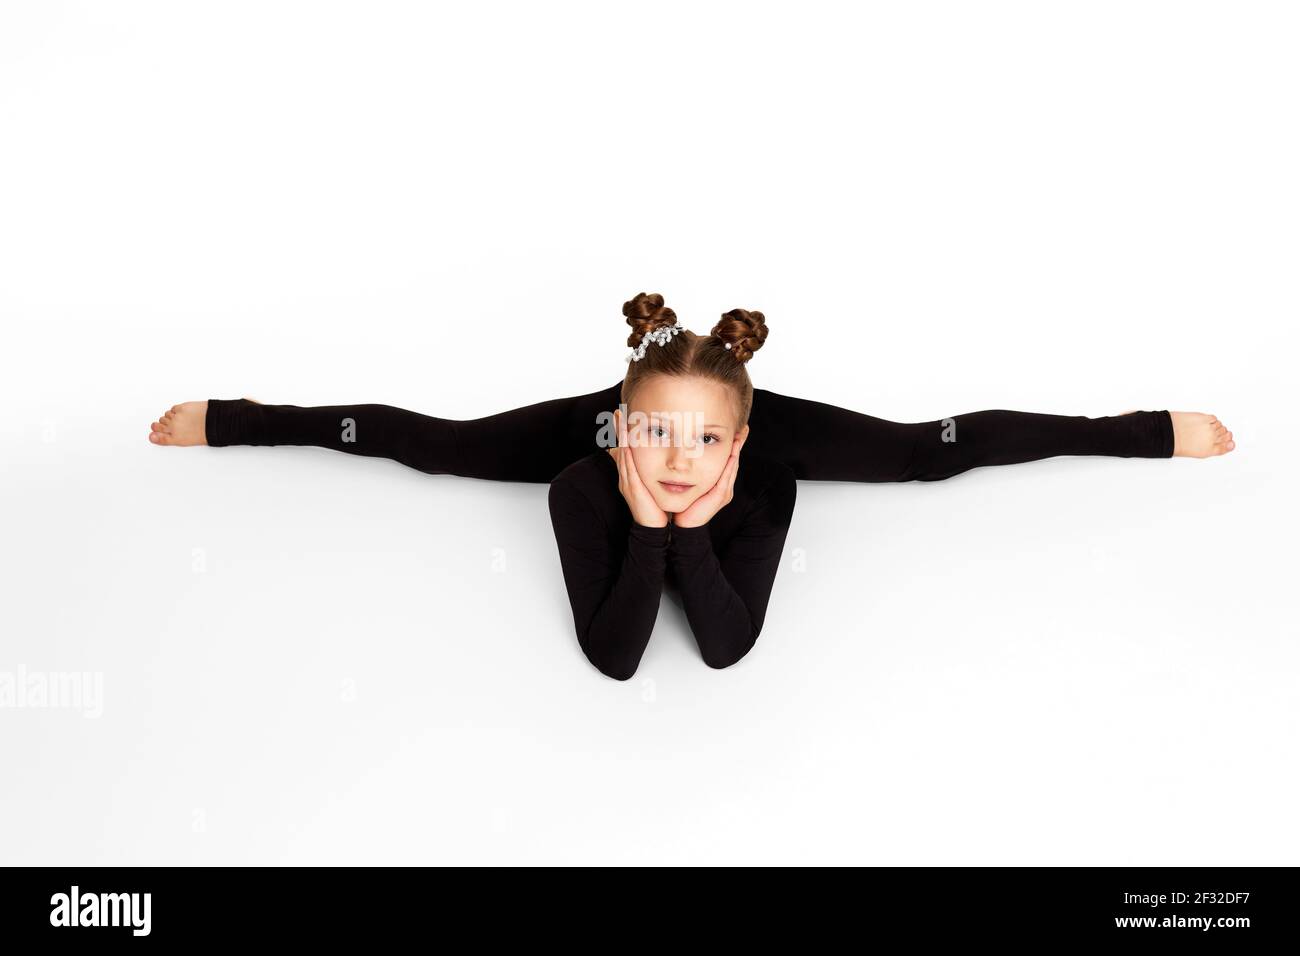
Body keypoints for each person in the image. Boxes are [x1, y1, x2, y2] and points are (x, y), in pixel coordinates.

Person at [149, 292, 1236, 680]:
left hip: (746, 437)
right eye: (654, 434)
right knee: (439, 444)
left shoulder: (759, 470)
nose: (674, 458)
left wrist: (1151, 435)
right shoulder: (591, 465)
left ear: (740, 434)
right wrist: (233, 422)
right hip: (623, 436)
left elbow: (722, 645)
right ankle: (235, 416)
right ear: (625, 423)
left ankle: (1143, 432)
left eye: (699, 441)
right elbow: (616, 657)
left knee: (923, 449)